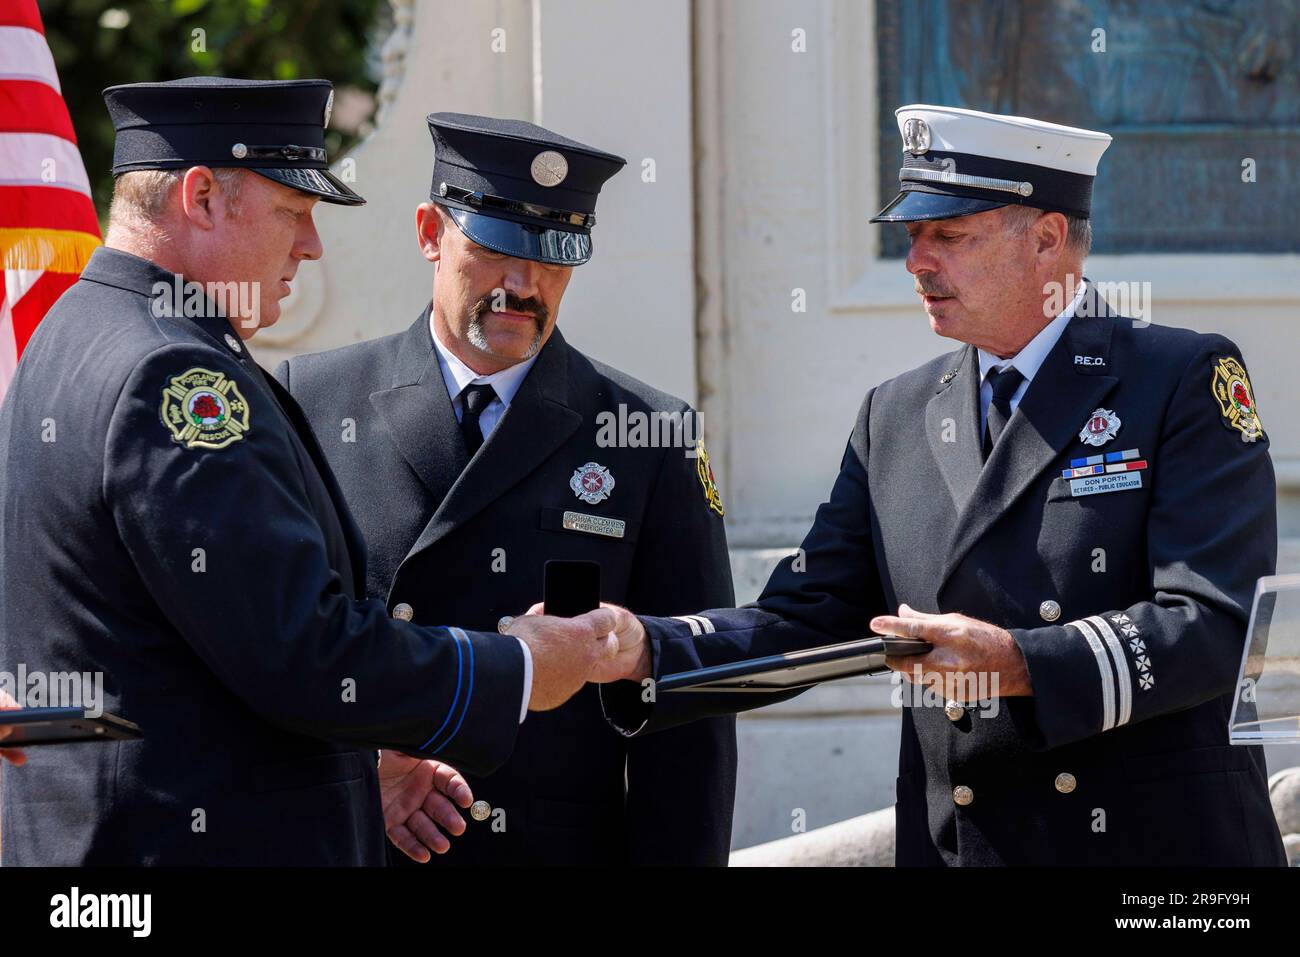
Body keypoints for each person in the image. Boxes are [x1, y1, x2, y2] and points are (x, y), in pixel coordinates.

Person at [595, 105, 1288, 866]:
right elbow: (808, 616)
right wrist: (642, 650)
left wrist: (1024, 663)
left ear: (1048, 239)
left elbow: (1216, 624)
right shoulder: (893, 414)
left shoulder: (1179, 379)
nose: (918, 262)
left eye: (949, 236)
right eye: (911, 237)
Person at [0, 79, 617, 866]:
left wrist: (362, 758)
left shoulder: (77, 328)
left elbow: (209, 651)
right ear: (201, 196)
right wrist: (521, 665)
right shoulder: (175, 375)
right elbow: (304, 649)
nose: (311, 246)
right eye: (294, 212)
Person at [276, 113, 737, 866]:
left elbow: (684, 709)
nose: (522, 287)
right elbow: (273, 651)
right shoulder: (315, 403)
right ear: (430, 231)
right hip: (366, 843)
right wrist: (366, 771)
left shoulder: (651, 435)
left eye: (554, 258)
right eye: (493, 251)